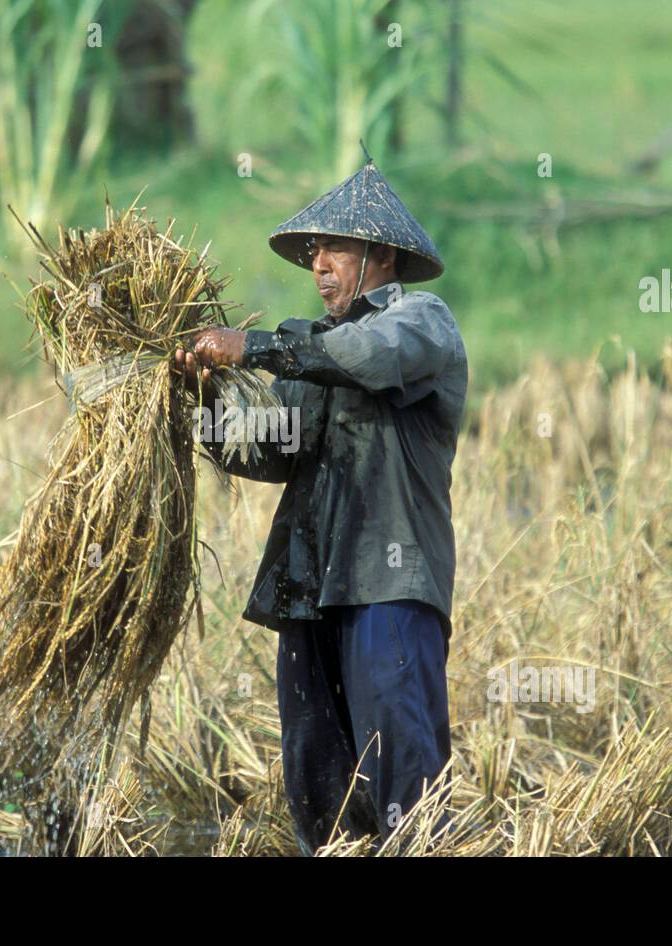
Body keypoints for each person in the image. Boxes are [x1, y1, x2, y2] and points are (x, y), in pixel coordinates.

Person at [173, 158, 468, 854]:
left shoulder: (420, 323)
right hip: (310, 589)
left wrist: (260, 347)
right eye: (314, 252)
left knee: (402, 770)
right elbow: (269, 450)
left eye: (336, 248)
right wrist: (198, 394)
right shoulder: (312, 347)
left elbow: (364, 357)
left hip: (389, 588)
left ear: (382, 254)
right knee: (317, 779)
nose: (320, 265)